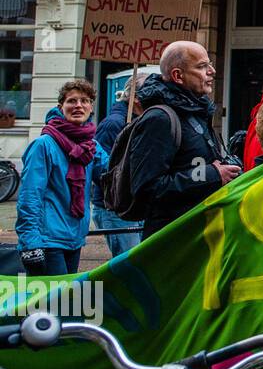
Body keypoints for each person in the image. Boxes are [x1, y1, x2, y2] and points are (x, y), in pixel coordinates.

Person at [126, 41, 242, 241]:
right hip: (171, 241)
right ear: (178, 76)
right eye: (201, 66)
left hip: (197, 235)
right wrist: (211, 174)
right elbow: (147, 189)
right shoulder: (159, 120)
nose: (212, 71)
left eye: (210, 64)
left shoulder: (196, 112)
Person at [17, 79, 109, 275]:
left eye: (84, 101)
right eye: (71, 101)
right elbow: (30, 196)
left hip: (74, 237)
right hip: (47, 239)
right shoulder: (44, 145)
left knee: (66, 302)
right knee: (57, 304)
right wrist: (30, 243)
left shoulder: (91, 145)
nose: (78, 105)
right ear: (61, 107)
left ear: (91, 107)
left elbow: (111, 175)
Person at [93, 70, 149, 257]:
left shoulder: (141, 121)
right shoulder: (114, 124)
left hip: (134, 204)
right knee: (129, 265)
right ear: (136, 98)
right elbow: (102, 169)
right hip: (116, 209)